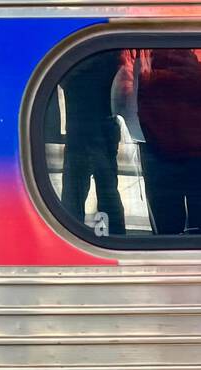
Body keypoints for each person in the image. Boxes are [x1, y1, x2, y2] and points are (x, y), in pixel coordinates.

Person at [117, 48, 201, 235]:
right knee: (173, 234)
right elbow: (126, 80)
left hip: (186, 148)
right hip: (167, 146)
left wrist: (156, 78)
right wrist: (191, 75)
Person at [59, 50, 125, 236]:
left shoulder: (73, 59)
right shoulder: (109, 53)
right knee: (107, 190)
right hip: (103, 127)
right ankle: (112, 237)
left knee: (74, 193)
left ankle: (70, 237)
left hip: (80, 128)